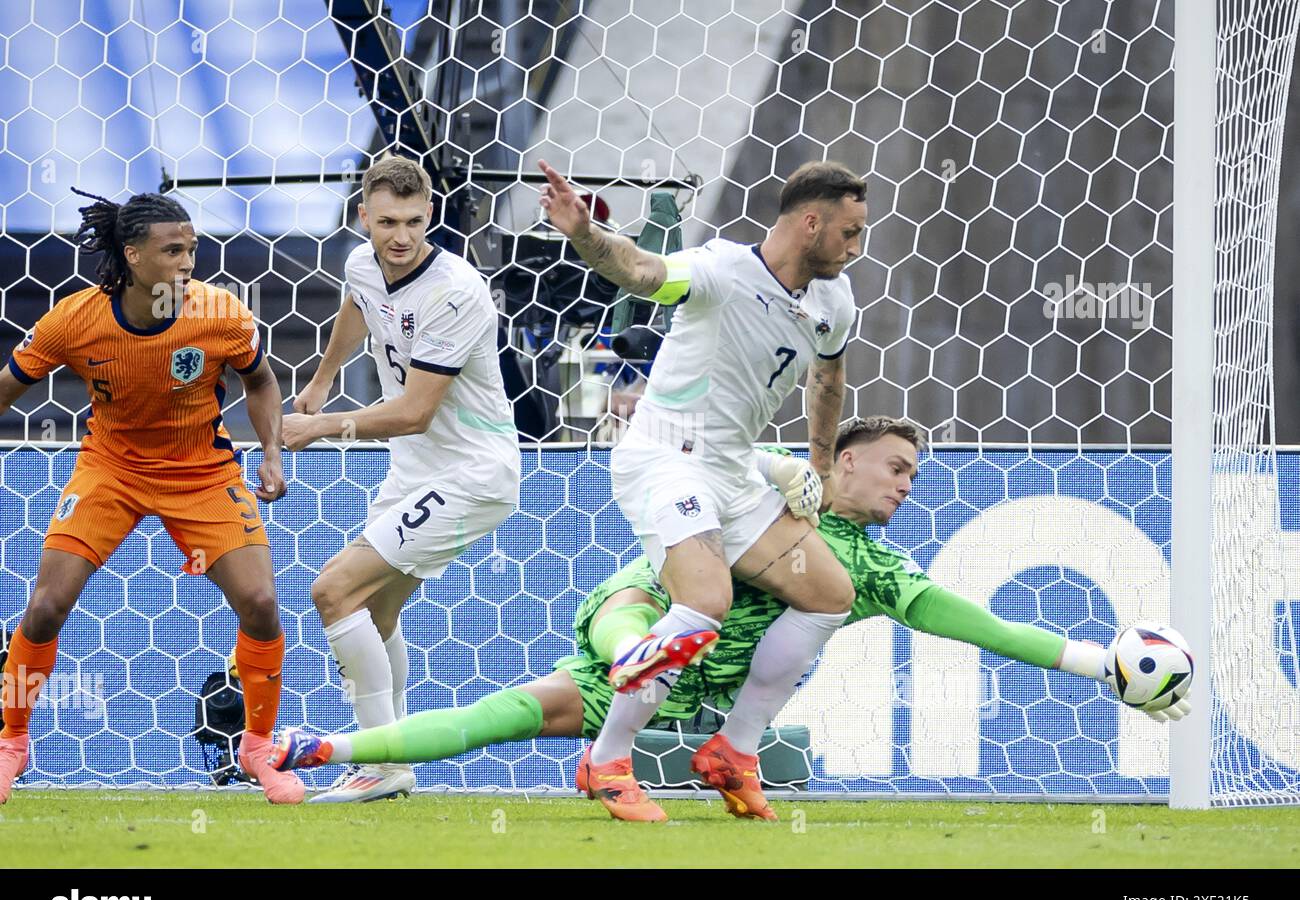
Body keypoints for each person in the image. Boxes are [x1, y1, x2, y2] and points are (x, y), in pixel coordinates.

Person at [271, 416, 1173, 820]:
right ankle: (635, 696)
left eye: (912, 475)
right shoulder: (769, 488)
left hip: (681, 683)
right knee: (629, 639)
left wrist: (1102, 665)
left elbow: (988, 627)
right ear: (846, 461)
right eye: (895, 465)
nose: (905, 484)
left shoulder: (880, 573)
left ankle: (317, 750)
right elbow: (713, 460)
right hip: (641, 611)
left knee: (488, 721)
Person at [537, 158, 866, 817]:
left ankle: (732, 751)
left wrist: (823, 467)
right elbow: (641, 269)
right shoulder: (720, 270)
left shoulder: (835, 301)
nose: (856, 247)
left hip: (732, 469)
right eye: (850, 232)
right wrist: (583, 234)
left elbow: (827, 380)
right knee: (706, 600)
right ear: (810, 223)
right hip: (665, 458)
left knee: (829, 594)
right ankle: (607, 760)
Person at [0, 188, 302, 803]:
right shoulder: (74, 320)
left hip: (202, 473)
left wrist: (270, 452)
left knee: (263, 604)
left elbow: (262, 381)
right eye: (173, 251)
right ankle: (11, 743)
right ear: (133, 255)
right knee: (47, 606)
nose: (187, 262)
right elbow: (8, 384)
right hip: (110, 469)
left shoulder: (221, 314)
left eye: (192, 249)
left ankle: (257, 749)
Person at [282, 155, 520, 802]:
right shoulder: (363, 261)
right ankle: (394, 760)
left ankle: (382, 762)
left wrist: (321, 425)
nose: (401, 236)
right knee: (374, 610)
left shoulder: (456, 292)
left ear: (431, 216)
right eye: (387, 221)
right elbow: (359, 303)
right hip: (418, 472)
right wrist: (323, 378)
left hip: (475, 472)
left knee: (332, 591)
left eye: (415, 221)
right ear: (364, 215)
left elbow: (414, 413)